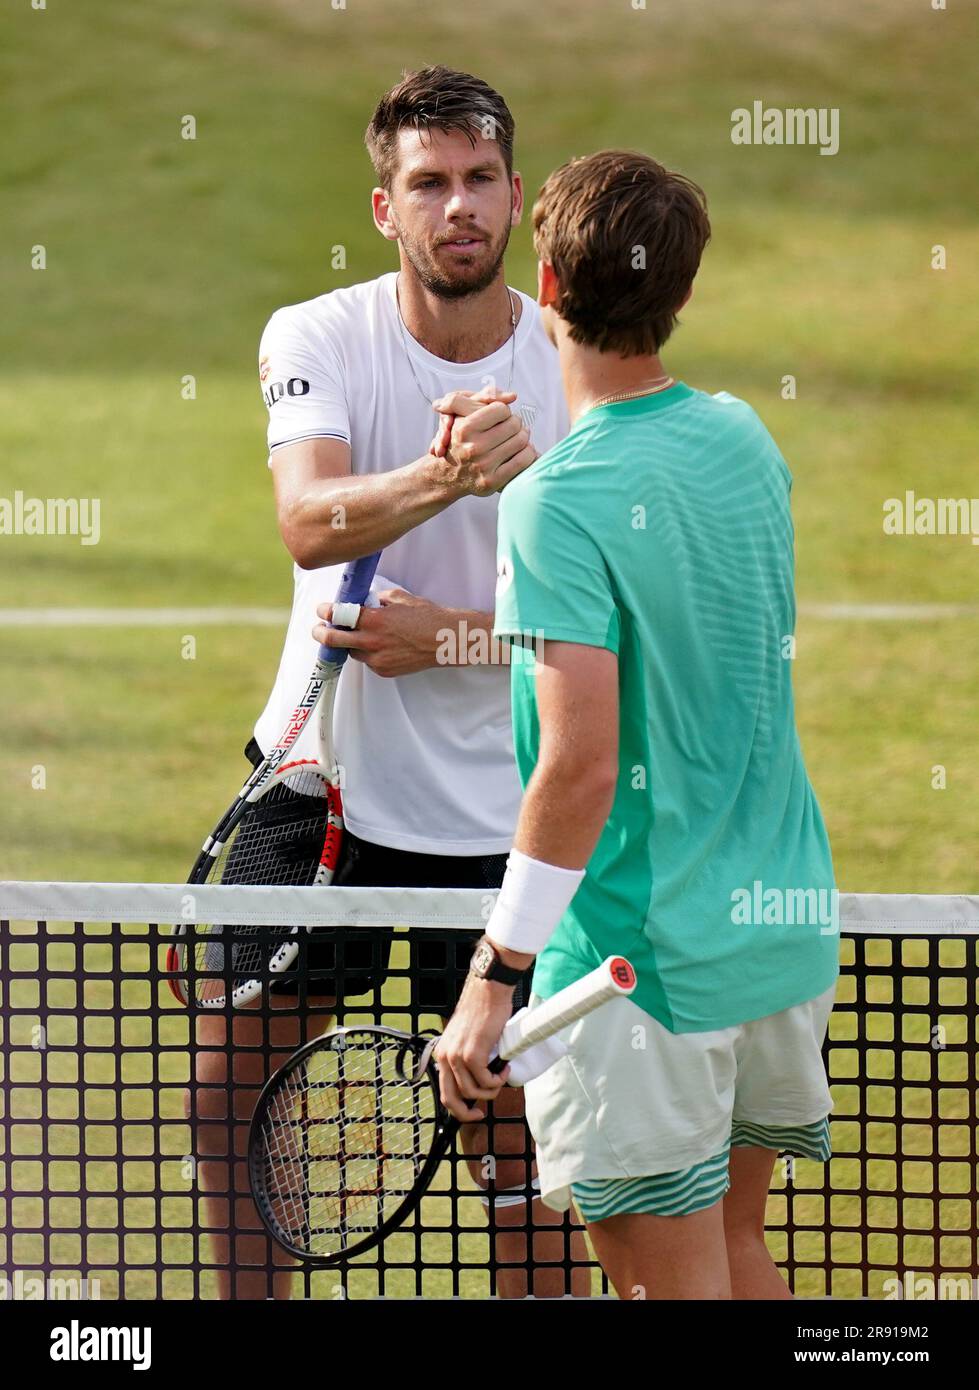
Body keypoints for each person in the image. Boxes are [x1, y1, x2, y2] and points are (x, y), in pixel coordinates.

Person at [188, 66, 587, 1299]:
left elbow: (610, 651)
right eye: (429, 183)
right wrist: (447, 475)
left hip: (503, 816)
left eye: (478, 181)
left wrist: (451, 638)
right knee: (226, 1104)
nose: (455, 206)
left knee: (512, 1145)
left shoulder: (575, 372)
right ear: (385, 206)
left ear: (515, 199)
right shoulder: (314, 336)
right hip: (326, 789)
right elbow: (310, 525)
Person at [437, 149, 840, 1300]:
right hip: (778, 937)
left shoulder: (551, 504)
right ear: (681, 291)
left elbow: (579, 766)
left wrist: (492, 978)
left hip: (638, 975)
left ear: (547, 286)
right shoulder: (744, 439)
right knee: (734, 1249)